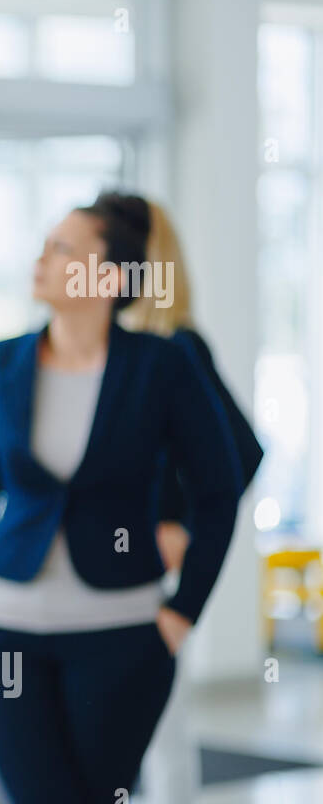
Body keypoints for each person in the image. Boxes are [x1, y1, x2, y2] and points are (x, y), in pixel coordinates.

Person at [0, 192, 245, 804]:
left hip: (123, 636)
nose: (39, 259)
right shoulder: (1, 360)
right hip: (5, 632)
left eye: (60, 249)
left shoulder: (162, 366)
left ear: (108, 277)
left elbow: (218, 488)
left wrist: (183, 610)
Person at [107, 192, 264, 573]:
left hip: (139, 560)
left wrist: (183, 524)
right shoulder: (120, 349)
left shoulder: (178, 346)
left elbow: (243, 451)